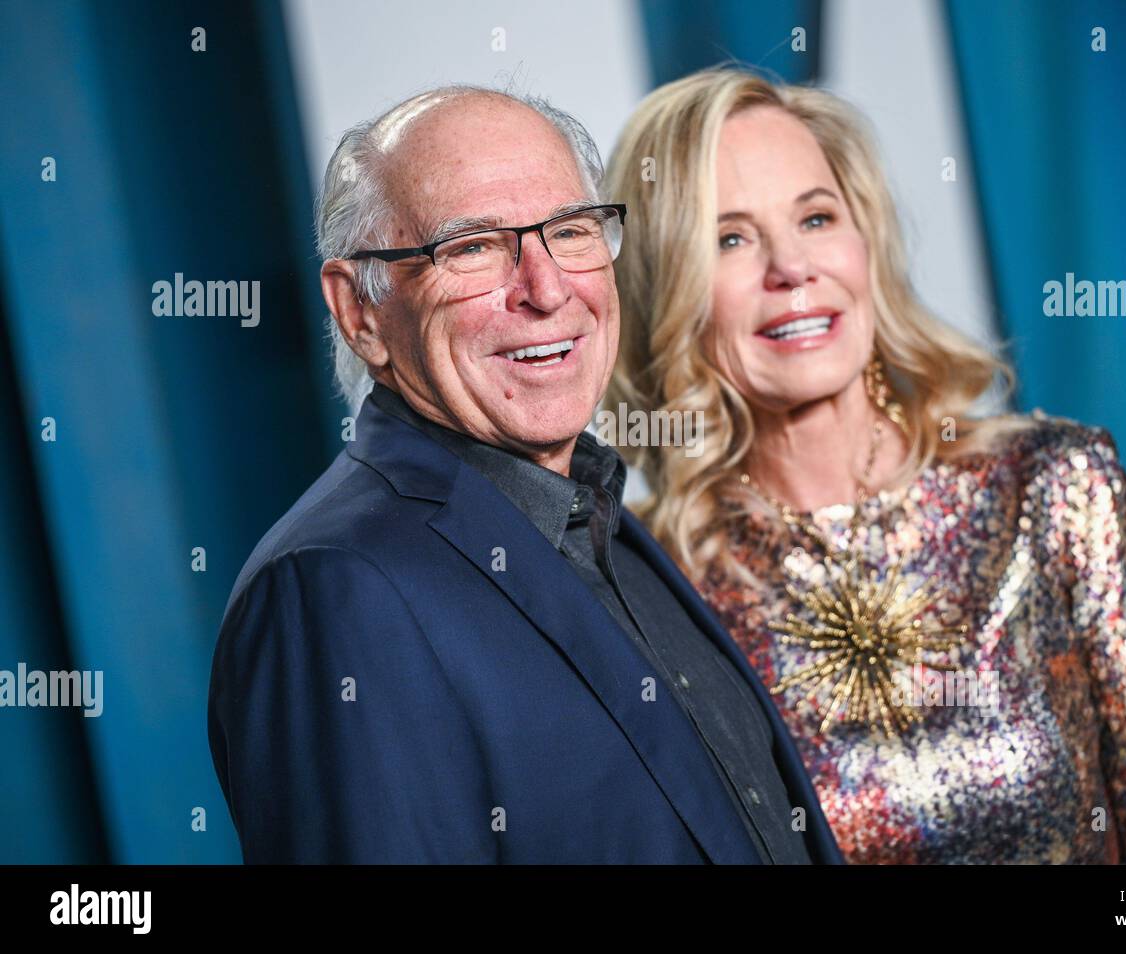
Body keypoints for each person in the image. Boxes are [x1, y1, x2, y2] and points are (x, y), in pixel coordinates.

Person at [603, 67, 1126, 864]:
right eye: (729, 238)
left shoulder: (1056, 489)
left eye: (816, 217)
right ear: (665, 283)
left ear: (865, 241)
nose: (791, 267)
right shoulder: (650, 590)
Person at [206, 84, 843, 864]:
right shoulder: (333, 590)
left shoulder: (598, 517)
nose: (546, 290)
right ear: (359, 312)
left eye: (571, 232)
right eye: (473, 247)